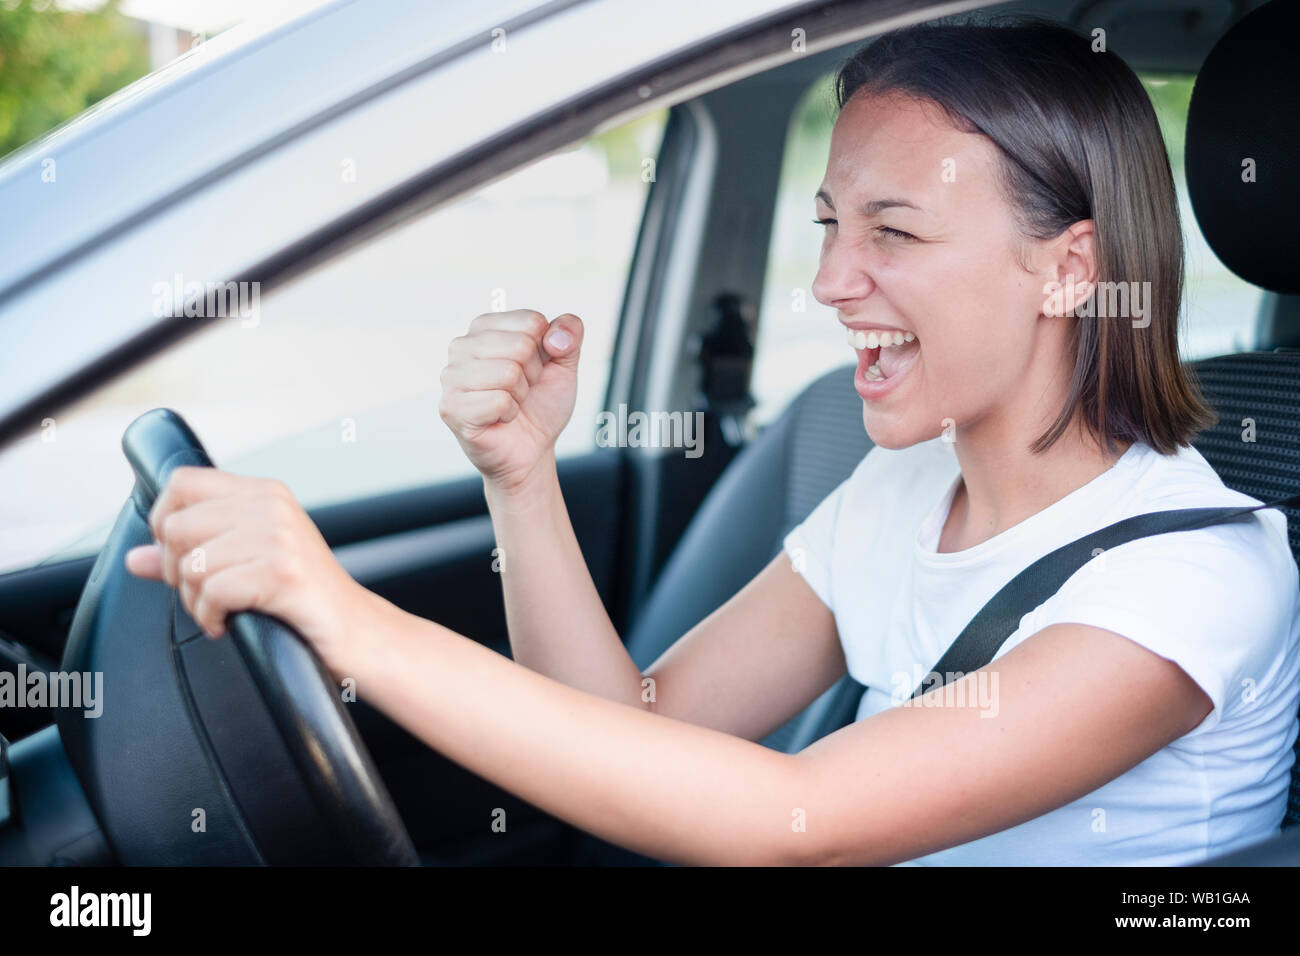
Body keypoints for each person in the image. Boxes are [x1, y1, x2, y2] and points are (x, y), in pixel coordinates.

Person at [125, 18, 1300, 865]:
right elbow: (631, 727)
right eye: (832, 225)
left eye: (892, 231)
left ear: (1067, 270)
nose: (831, 281)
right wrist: (522, 480)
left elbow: (790, 819)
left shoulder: (1191, 581)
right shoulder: (900, 488)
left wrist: (346, 618)